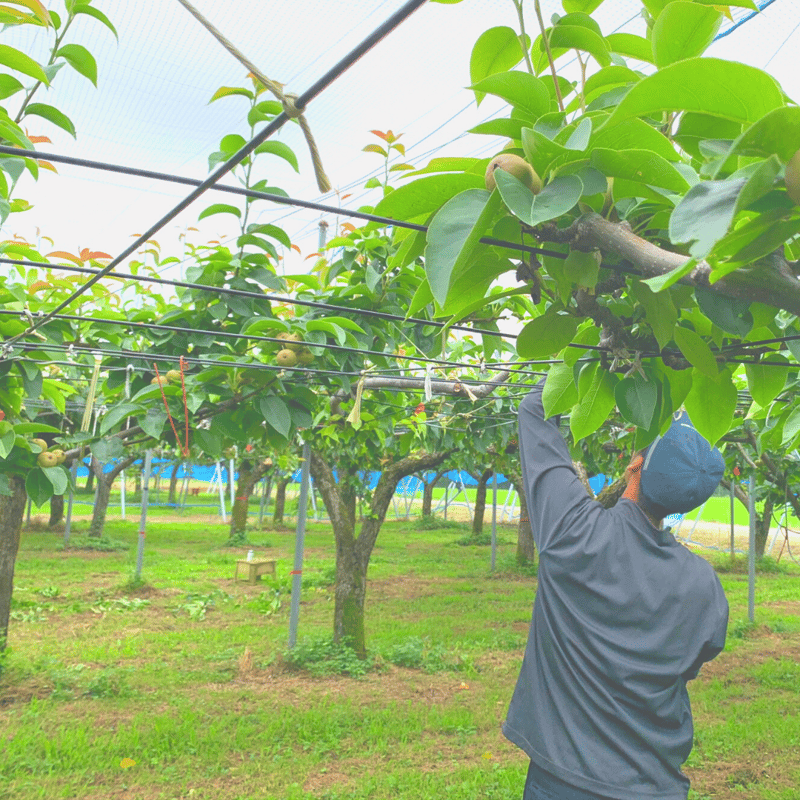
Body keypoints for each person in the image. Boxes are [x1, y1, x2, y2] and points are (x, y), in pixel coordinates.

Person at [503, 380, 729, 800]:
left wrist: (605, 360)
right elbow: (695, 659)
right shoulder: (705, 587)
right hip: (653, 785)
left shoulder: (574, 535)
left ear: (634, 465)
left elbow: (537, 408)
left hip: (564, 781)